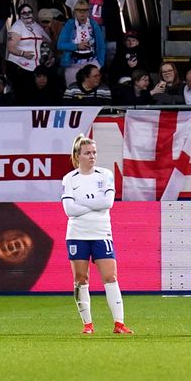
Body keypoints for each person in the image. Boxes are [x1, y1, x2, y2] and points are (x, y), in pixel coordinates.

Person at [62, 135, 133, 335]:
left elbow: (107, 203)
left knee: (110, 277)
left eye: (94, 152)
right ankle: (88, 325)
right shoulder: (70, 179)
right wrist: (94, 204)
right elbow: (69, 209)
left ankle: (119, 324)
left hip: (102, 233)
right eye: (87, 153)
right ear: (78, 156)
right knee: (81, 279)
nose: (92, 156)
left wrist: (82, 202)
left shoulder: (105, 175)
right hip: (77, 234)